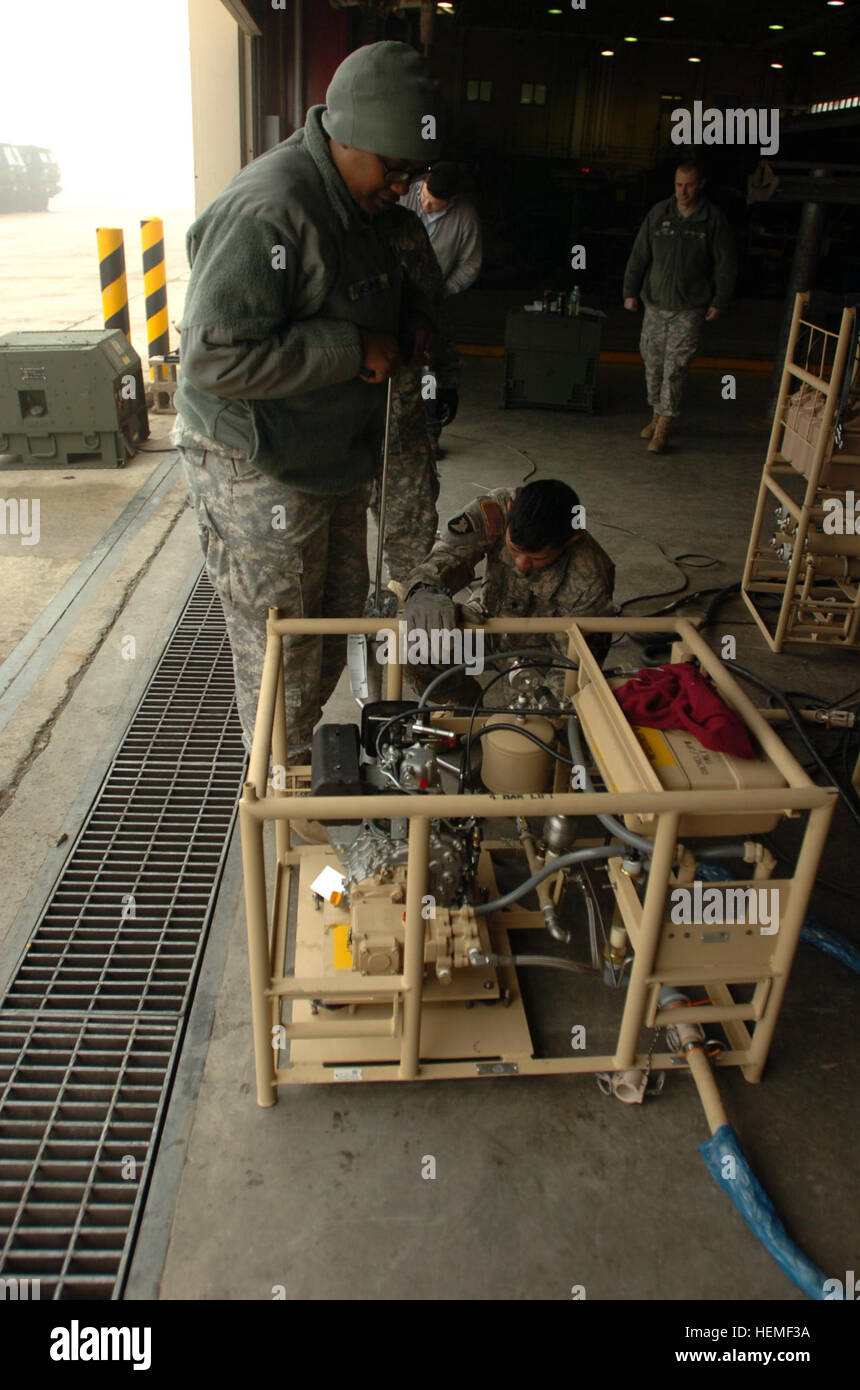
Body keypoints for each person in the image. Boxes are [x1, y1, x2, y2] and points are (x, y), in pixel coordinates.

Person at [172, 42, 441, 788]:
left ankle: (292, 766)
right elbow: (210, 359)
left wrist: (413, 323)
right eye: (394, 170)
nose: (404, 187)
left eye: (413, 174)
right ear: (344, 134)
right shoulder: (272, 210)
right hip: (255, 459)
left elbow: (393, 277)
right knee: (280, 651)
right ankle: (272, 794)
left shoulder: (373, 201)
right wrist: (349, 349)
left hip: (331, 454)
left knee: (330, 629)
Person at [402, 478, 615, 699]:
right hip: (486, 621)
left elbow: (572, 668)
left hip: (542, 654)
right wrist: (426, 591)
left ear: (571, 540)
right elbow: (447, 555)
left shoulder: (592, 579)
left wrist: (544, 709)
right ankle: (461, 704)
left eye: (536, 558)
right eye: (514, 549)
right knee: (417, 650)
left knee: (527, 725)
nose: (521, 564)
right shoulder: (496, 510)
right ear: (510, 511)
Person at [622, 159, 736, 454]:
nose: (682, 192)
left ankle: (663, 429)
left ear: (700, 185)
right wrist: (629, 291)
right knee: (653, 364)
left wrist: (719, 300)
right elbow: (639, 254)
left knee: (676, 368)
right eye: (678, 185)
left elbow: (725, 264)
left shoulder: (712, 220)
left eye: (688, 185)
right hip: (656, 303)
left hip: (690, 307)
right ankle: (656, 414)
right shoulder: (660, 214)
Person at [402, 163, 482, 456]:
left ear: (452, 201)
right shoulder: (405, 195)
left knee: (429, 368)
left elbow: (471, 264)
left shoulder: (465, 218)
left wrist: (444, 291)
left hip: (432, 302)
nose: (425, 203)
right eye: (424, 194)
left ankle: (431, 433)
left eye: (434, 203)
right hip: (393, 296)